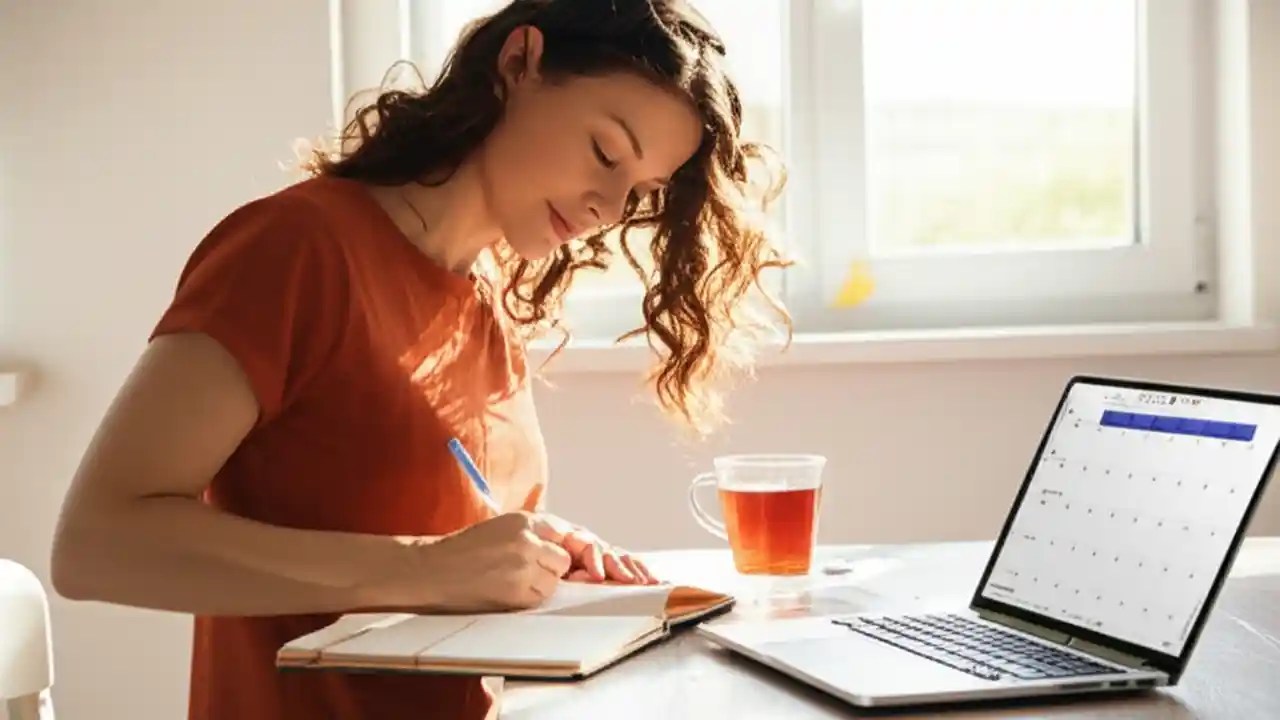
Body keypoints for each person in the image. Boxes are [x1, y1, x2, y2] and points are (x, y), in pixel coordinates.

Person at [49, 0, 789, 718]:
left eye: (639, 191)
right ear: (519, 63)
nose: (606, 206)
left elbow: (400, 512)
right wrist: (427, 568)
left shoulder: (487, 296)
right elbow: (96, 542)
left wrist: (533, 553)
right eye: (605, 152)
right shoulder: (296, 251)